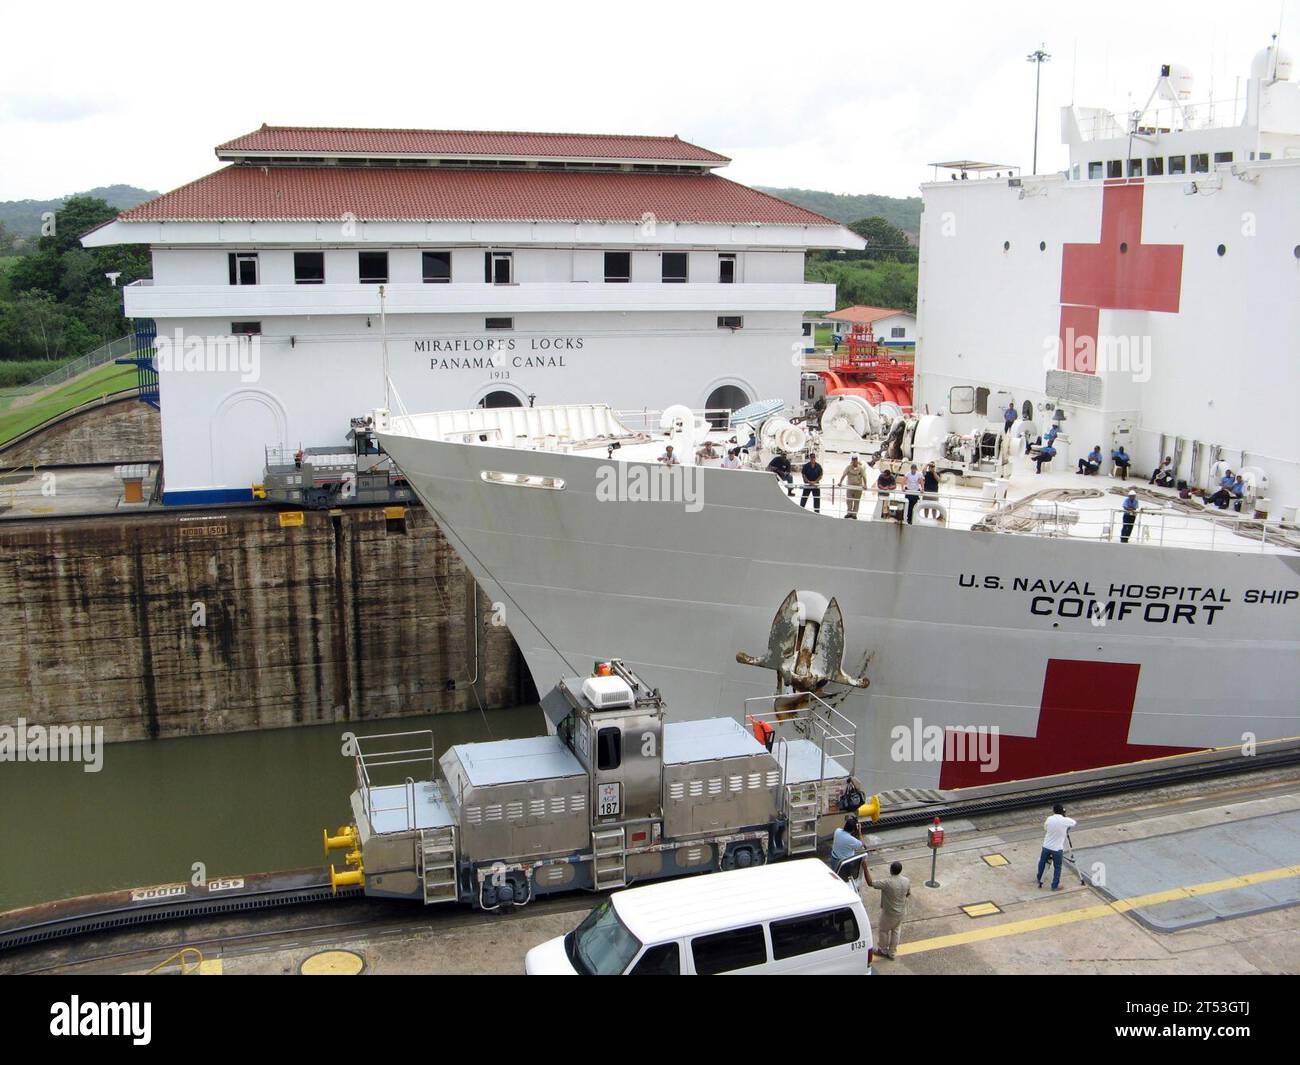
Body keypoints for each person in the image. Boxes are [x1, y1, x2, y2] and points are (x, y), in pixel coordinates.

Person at [865, 860, 911, 960]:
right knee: (896, 931)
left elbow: (870, 883)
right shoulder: (906, 881)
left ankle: (883, 950)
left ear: (891, 870)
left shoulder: (887, 882)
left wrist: (865, 867)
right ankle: (892, 953)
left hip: (889, 913)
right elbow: (908, 894)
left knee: (883, 931)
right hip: (901, 912)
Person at [1036, 803, 1078, 891]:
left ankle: (1039, 878)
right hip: (1057, 848)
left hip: (1046, 846)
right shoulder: (1065, 820)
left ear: (1054, 811)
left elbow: (1045, 828)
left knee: (1042, 861)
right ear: (1062, 812)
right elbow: (1074, 823)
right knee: (1057, 867)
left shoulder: (1049, 819)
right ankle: (1054, 886)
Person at [830, 815, 868, 883]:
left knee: (835, 879)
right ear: (853, 830)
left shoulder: (837, 831)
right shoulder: (852, 840)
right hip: (844, 863)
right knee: (844, 881)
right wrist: (859, 831)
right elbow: (862, 844)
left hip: (834, 859)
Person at [839, 454, 867, 519]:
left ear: (857, 460)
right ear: (852, 460)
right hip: (850, 487)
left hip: (858, 487)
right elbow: (844, 475)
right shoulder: (848, 467)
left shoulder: (861, 468)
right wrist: (840, 482)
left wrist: (865, 485)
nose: (854, 461)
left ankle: (854, 514)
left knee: (856, 501)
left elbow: (864, 477)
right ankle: (849, 513)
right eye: (853, 460)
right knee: (849, 500)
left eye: (855, 460)